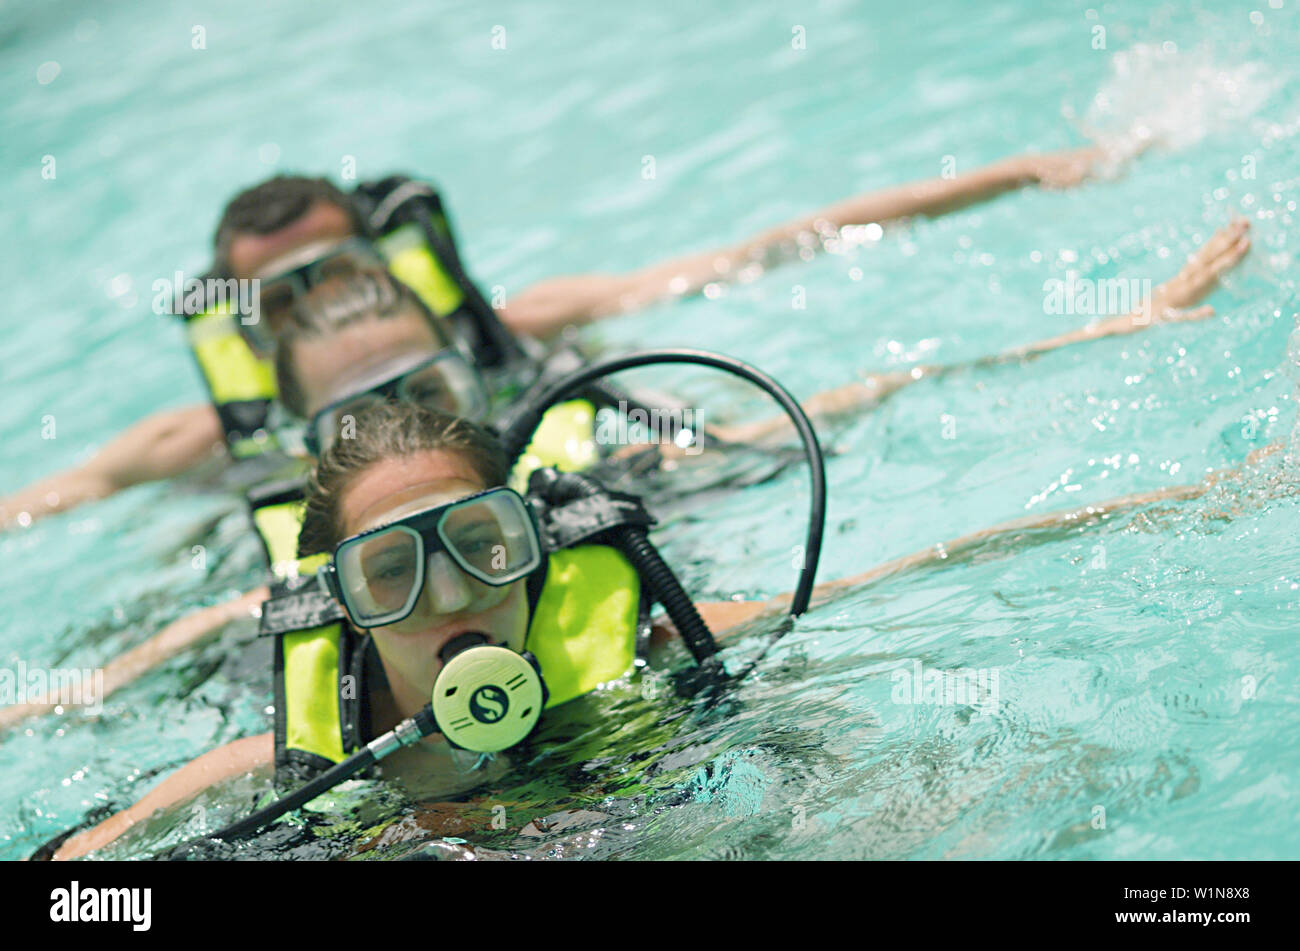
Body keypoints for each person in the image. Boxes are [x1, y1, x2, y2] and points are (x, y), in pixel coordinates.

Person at [1, 216, 1252, 729]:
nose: (445, 588)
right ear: (338, 589)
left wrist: (1119, 360)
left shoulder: (617, 549)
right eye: (391, 568)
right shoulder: (282, 651)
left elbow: (902, 535)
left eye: (481, 543)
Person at [2, 144, 1117, 531]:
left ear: (393, 261)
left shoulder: (522, 332)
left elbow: (769, 249)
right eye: (282, 299)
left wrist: (1015, 178)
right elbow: (32, 509)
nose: (318, 311)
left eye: (338, 275)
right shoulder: (196, 441)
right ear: (241, 317)